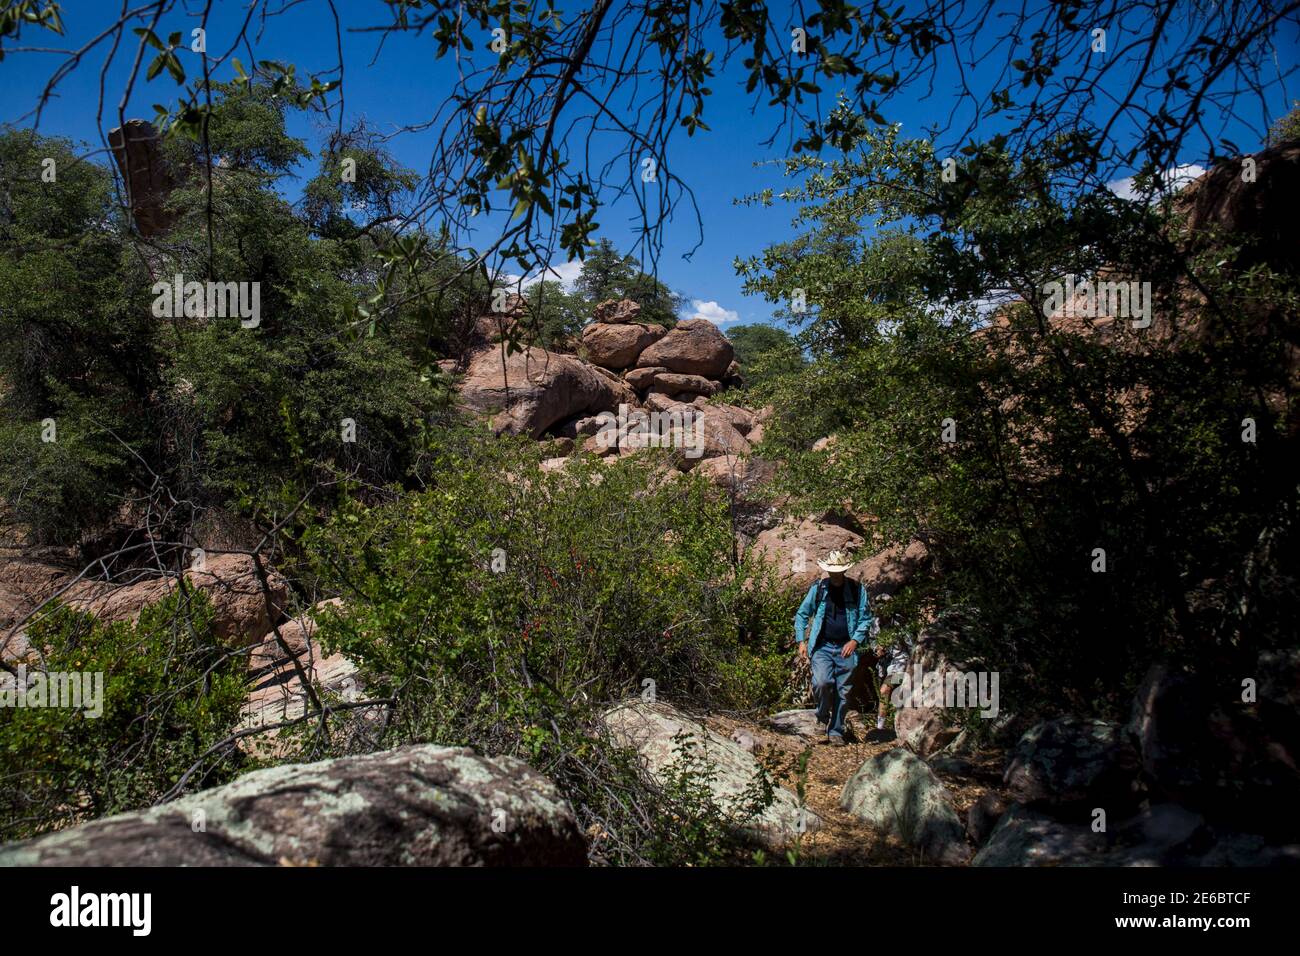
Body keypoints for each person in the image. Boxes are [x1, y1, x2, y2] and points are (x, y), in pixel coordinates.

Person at [794, 550, 874, 745]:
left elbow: (866, 618)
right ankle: (822, 717)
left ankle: (836, 730)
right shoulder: (819, 589)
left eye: (838, 570)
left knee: (843, 691)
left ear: (844, 570)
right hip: (822, 646)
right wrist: (801, 641)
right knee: (821, 682)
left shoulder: (857, 590)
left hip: (846, 648)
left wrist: (855, 641)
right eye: (832, 570)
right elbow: (802, 614)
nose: (834, 574)